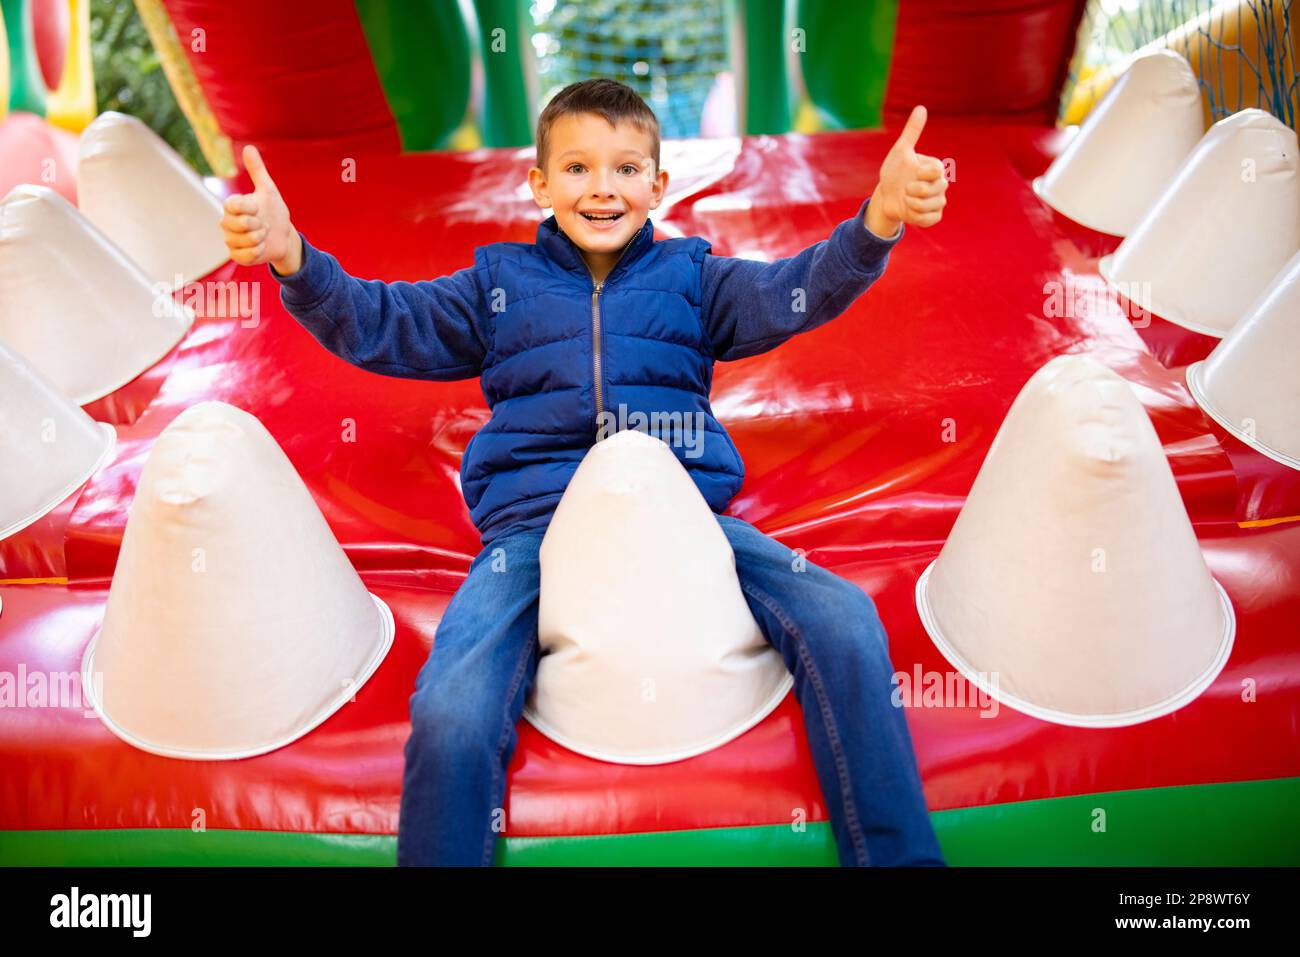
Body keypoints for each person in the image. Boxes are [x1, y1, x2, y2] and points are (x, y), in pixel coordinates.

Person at [219, 78, 949, 867]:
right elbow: (384, 323)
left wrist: (876, 222)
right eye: (576, 168)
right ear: (538, 183)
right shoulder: (497, 288)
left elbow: (792, 292)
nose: (603, 187)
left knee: (843, 618)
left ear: (659, 185)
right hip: (534, 529)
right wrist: (294, 259)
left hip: (682, 519)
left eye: (627, 168)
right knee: (453, 704)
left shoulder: (692, 280)